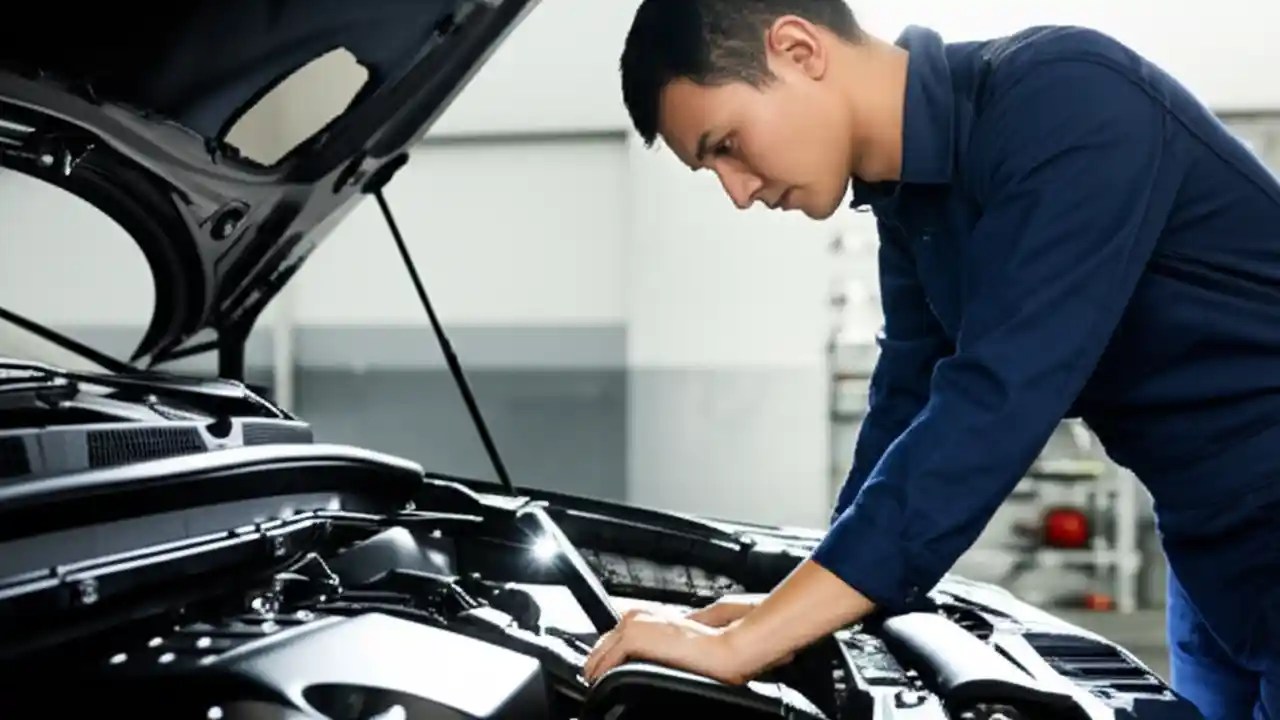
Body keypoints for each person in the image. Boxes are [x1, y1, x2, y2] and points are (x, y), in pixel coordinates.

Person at [582, 1, 1280, 717]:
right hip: (1209, 549)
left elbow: (994, 403)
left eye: (726, 144)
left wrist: (746, 646)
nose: (737, 192)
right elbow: (906, 401)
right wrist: (793, 607)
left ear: (797, 48)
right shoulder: (910, 198)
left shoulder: (1069, 101)